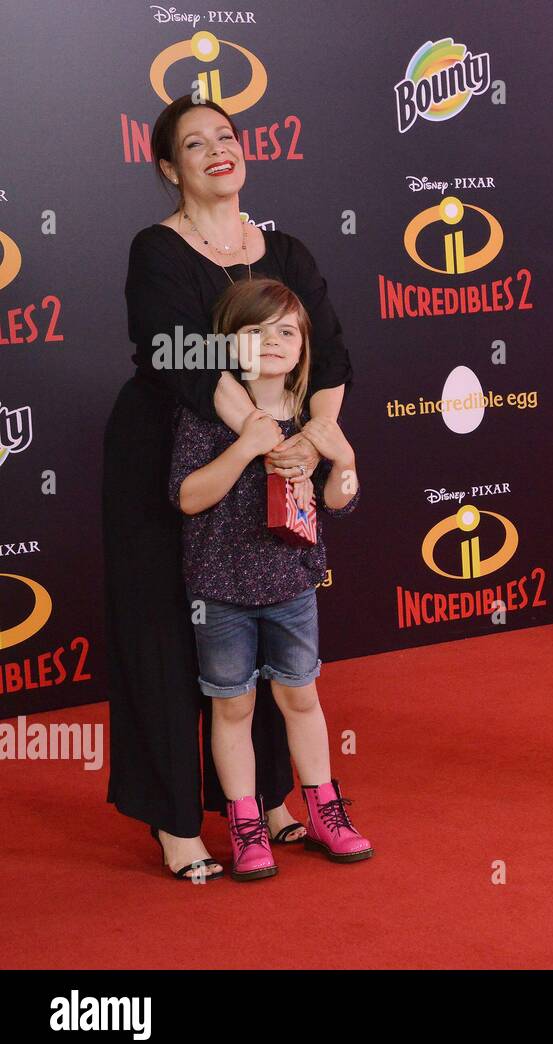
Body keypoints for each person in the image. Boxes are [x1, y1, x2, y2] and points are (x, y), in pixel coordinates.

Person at [105, 97, 353, 880]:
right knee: (168, 638)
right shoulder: (158, 250)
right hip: (170, 458)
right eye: (194, 143)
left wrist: (311, 441)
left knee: (265, 631)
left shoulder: (285, 249)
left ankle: (270, 802)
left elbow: (332, 359)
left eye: (227, 136)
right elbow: (182, 357)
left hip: (274, 458)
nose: (217, 149)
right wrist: (267, 439)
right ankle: (178, 821)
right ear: (169, 169)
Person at [170, 278, 370, 880]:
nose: (273, 342)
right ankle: (245, 821)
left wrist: (346, 462)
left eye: (286, 331)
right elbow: (186, 497)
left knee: (301, 698)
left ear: (304, 345)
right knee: (232, 708)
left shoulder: (311, 417)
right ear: (229, 344)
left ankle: (325, 810)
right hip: (221, 591)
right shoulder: (206, 414)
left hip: (292, 587)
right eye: (255, 331)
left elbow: (338, 501)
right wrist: (245, 447)